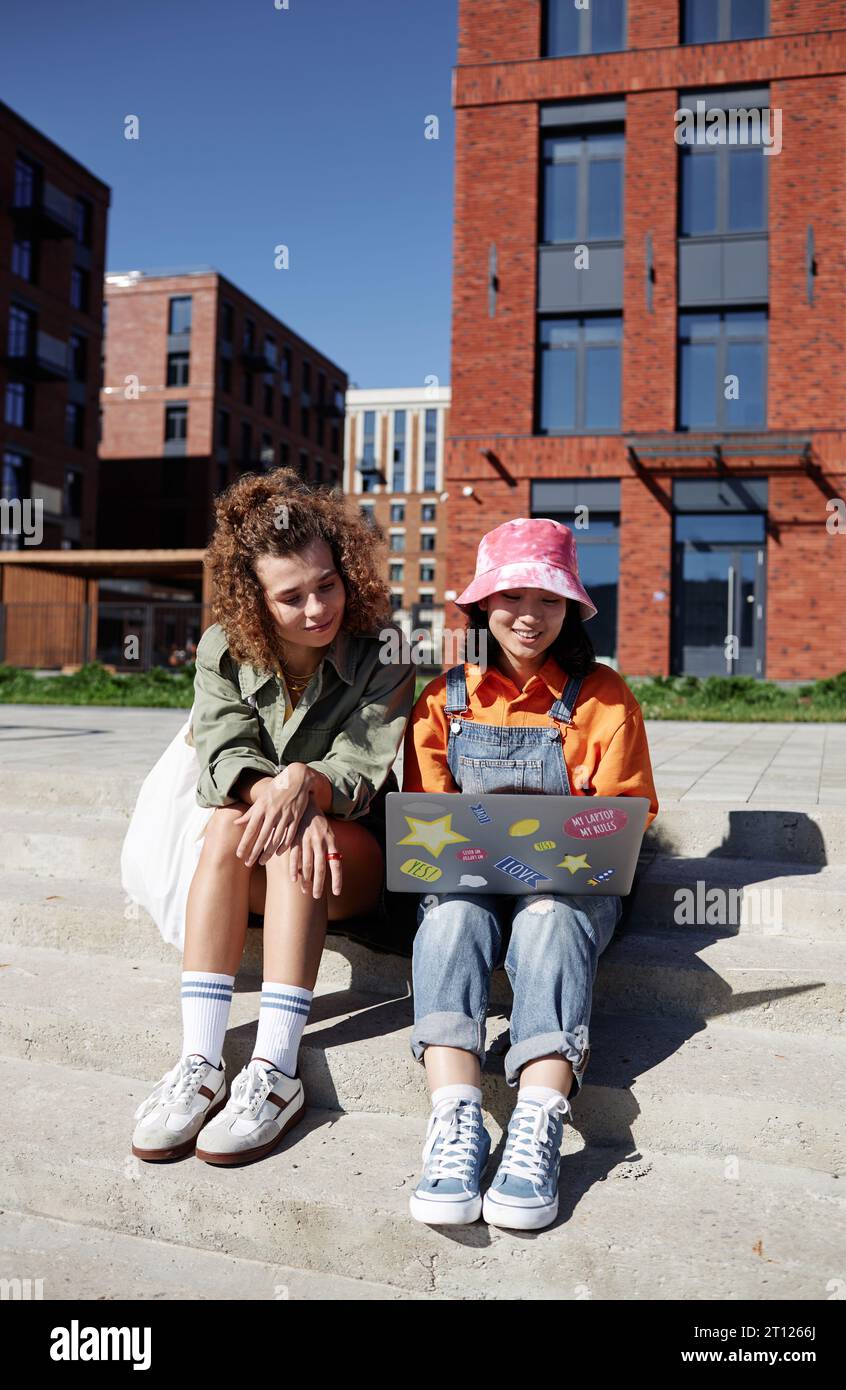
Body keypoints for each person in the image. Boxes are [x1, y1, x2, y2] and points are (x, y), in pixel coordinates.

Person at [132, 468, 415, 1166]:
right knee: (229, 823)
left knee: (287, 841)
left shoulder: (388, 648)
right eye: (291, 596)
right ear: (253, 600)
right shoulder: (220, 650)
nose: (318, 607)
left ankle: (275, 1072)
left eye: (327, 584)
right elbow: (223, 757)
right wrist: (282, 794)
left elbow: (364, 766)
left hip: (360, 857)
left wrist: (305, 784)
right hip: (256, 846)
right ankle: (201, 1063)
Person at [401, 517, 658, 1230]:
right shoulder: (441, 700)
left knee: (547, 915)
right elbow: (427, 826)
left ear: (572, 609)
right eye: (511, 596)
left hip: (570, 891)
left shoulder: (604, 696)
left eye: (549, 600)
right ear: (482, 605)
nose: (529, 615)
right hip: (469, 889)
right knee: (450, 914)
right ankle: (456, 1120)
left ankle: (537, 1120)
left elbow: (626, 816)